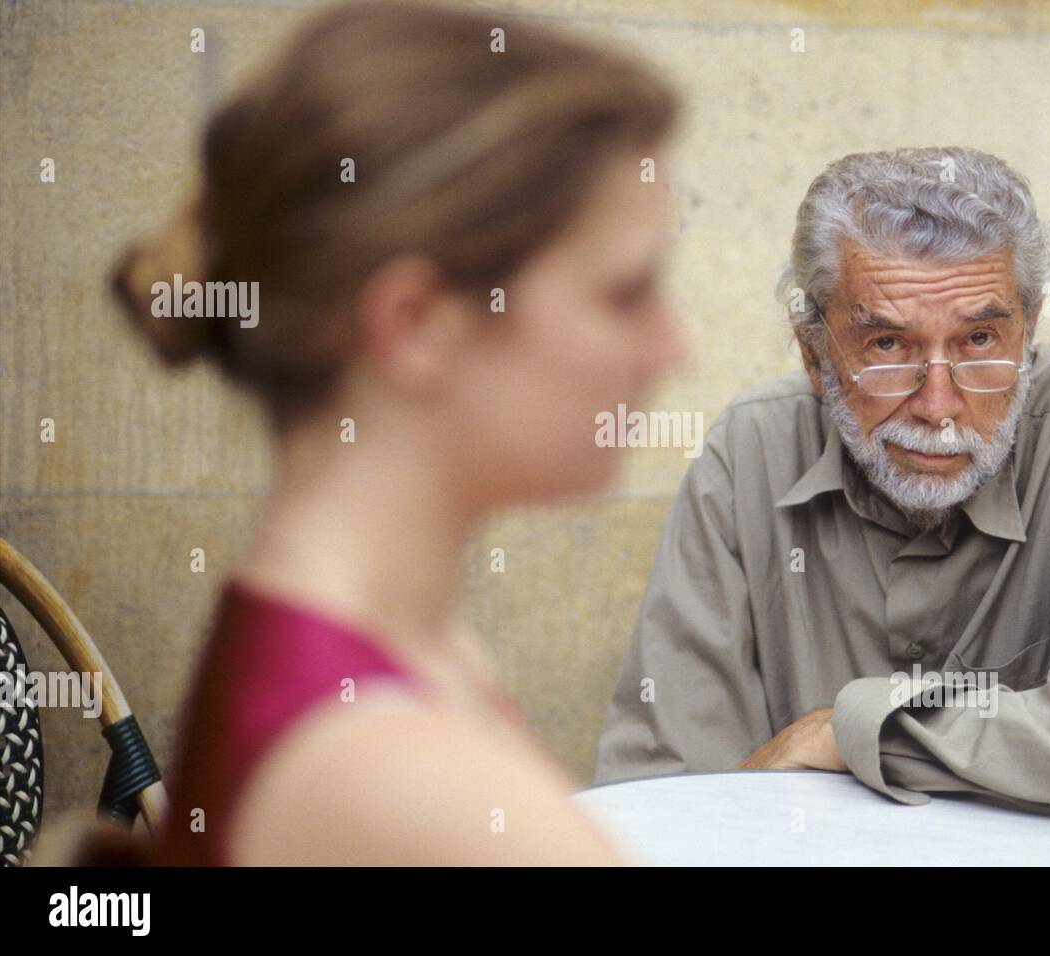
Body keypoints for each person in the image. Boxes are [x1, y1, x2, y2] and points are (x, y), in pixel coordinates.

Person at [107, 0, 685, 865]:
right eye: (625, 293)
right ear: (415, 324)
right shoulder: (392, 778)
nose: (675, 346)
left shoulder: (378, 636)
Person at [594, 146, 1050, 827]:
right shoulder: (750, 451)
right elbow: (668, 793)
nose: (938, 405)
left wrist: (852, 732)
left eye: (980, 339)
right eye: (887, 347)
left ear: (1031, 329)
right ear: (814, 353)